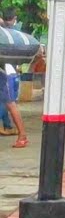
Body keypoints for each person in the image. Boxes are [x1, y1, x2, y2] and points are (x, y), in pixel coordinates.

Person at [0, 12, 27, 148]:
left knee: (10, 104)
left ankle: (22, 135)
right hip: (8, 73)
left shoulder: (4, 35)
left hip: (5, 74)